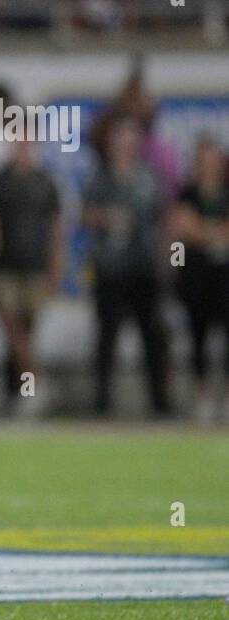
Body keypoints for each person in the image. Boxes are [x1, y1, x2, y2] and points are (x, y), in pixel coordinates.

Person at [82, 114, 170, 417]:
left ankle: (160, 403)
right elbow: (84, 215)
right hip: (110, 268)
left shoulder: (149, 177)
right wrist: (107, 218)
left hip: (143, 266)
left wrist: (167, 260)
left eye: (129, 139)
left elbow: (163, 220)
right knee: (106, 337)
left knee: (153, 337)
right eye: (118, 139)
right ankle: (102, 404)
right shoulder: (99, 177)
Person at [0, 127, 63, 416]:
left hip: (36, 267)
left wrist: (56, 266)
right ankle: (37, 383)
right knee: (12, 330)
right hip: (5, 266)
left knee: (26, 334)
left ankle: (25, 392)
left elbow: (55, 230)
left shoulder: (46, 183)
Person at [169, 137, 229, 422]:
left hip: (224, 276)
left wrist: (201, 230)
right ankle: (202, 395)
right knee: (198, 335)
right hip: (196, 275)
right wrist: (213, 232)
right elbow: (182, 228)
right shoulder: (187, 193)